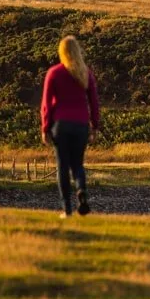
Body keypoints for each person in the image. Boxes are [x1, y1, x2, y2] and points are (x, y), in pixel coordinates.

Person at [41, 35, 101, 217]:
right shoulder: (86, 73)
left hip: (61, 125)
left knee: (62, 166)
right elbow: (94, 102)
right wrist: (95, 126)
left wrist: (45, 127)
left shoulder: (55, 72)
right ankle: (81, 190)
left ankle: (67, 209)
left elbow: (47, 104)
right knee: (78, 165)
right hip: (81, 125)